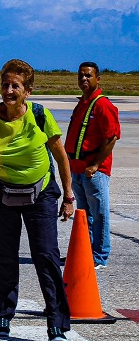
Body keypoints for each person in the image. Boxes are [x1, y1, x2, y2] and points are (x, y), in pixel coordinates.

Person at [0, 59, 74, 340]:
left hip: (40, 194)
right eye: (5, 85)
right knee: (3, 256)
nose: (9, 91)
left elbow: (61, 157)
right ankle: (2, 314)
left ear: (28, 91)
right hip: (0, 195)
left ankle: (56, 322)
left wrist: (68, 195)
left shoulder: (40, 115)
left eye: (15, 86)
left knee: (46, 256)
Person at [64, 61, 120, 270]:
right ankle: (85, 252)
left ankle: (100, 255)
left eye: (88, 75)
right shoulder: (83, 103)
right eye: (81, 75)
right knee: (83, 214)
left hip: (93, 172)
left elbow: (112, 137)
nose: (84, 79)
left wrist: (95, 165)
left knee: (99, 214)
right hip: (77, 168)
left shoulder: (102, 105)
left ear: (98, 78)